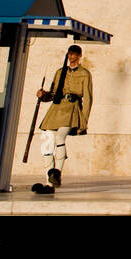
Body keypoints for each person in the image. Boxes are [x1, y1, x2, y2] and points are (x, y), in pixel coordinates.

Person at [31, 44, 92, 194]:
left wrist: (84, 120)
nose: (71, 57)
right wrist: (43, 95)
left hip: (72, 108)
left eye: (74, 54)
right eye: (69, 54)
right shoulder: (60, 72)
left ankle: (57, 172)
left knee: (60, 136)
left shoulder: (85, 73)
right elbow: (53, 93)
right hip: (57, 108)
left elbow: (88, 97)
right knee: (47, 141)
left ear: (79, 56)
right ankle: (49, 182)